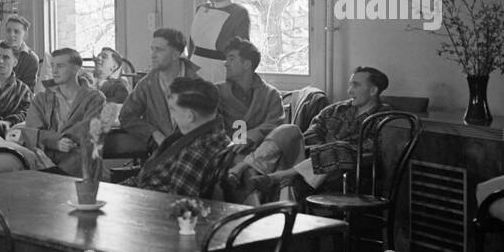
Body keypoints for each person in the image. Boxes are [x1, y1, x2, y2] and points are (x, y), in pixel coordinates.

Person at [245, 67, 394, 202]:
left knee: (337, 150)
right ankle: (250, 169)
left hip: (351, 171)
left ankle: (281, 178)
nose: (349, 91)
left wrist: (332, 151)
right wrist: (319, 154)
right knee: (288, 129)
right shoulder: (335, 109)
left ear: (373, 90)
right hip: (313, 164)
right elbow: (311, 134)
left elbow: (372, 150)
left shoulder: (385, 118)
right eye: (350, 85)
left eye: (356, 85)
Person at [123, 78, 232, 197]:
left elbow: (178, 206)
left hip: (145, 204)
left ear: (190, 116)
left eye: (173, 109)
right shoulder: (216, 135)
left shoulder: (195, 153)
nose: (173, 116)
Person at [215, 39, 290, 200]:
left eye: (231, 58)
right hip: (228, 152)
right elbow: (212, 123)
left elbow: (276, 124)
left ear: (247, 64)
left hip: (263, 154)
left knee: (253, 170)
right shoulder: (217, 92)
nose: (225, 64)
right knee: (245, 171)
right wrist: (233, 144)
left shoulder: (271, 94)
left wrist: (248, 137)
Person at [114, 28, 201, 157]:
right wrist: (154, 133)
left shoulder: (198, 83)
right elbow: (126, 116)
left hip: (194, 154)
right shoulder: (147, 84)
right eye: (152, 49)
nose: (153, 55)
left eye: (159, 50)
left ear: (176, 54)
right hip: (161, 154)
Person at [20, 48, 106, 175]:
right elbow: (32, 131)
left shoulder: (95, 97)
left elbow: (88, 128)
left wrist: (62, 140)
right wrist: (55, 141)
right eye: (53, 66)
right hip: (46, 153)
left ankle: (56, 175)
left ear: (76, 69)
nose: (54, 71)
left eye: (60, 66)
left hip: (76, 155)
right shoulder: (41, 98)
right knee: (26, 154)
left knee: (87, 153)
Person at [187, 0, 252, 86]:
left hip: (219, 72)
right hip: (194, 70)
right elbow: (191, 45)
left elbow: (242, 50)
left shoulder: (238, 13)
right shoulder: (200, 9)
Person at [0, 15, 41, 90]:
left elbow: (28, 91)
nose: (11, 35)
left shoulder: (31, 60)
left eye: (16, 32)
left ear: (25, 35)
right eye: (8, 31)